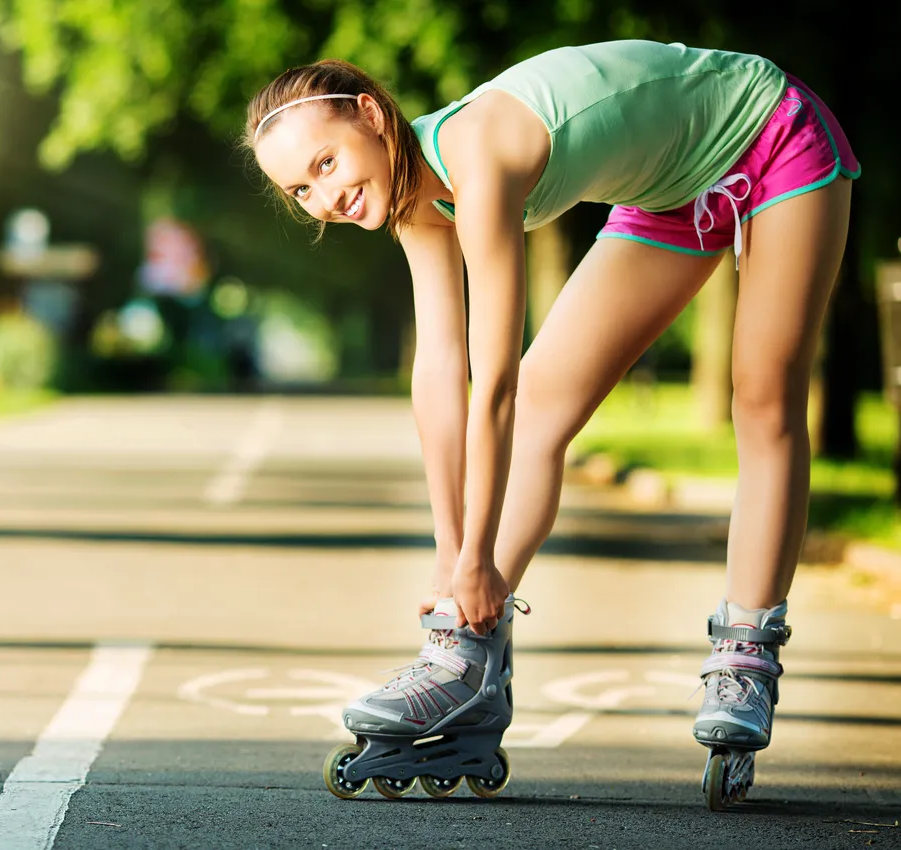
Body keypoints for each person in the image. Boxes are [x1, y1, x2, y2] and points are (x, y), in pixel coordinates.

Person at [246, 39, 858, 808]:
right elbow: (439, 376)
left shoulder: (481, 157)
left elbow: (489, 379)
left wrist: (476, 553)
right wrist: (451, 563)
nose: (324, 199)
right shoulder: (414, 205)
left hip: (770, 133)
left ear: (371, 116)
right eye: (301, 191)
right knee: (547, 401)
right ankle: (463, 653)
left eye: (326, 165)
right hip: (670, 191)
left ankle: (745, 656)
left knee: (762, 394)